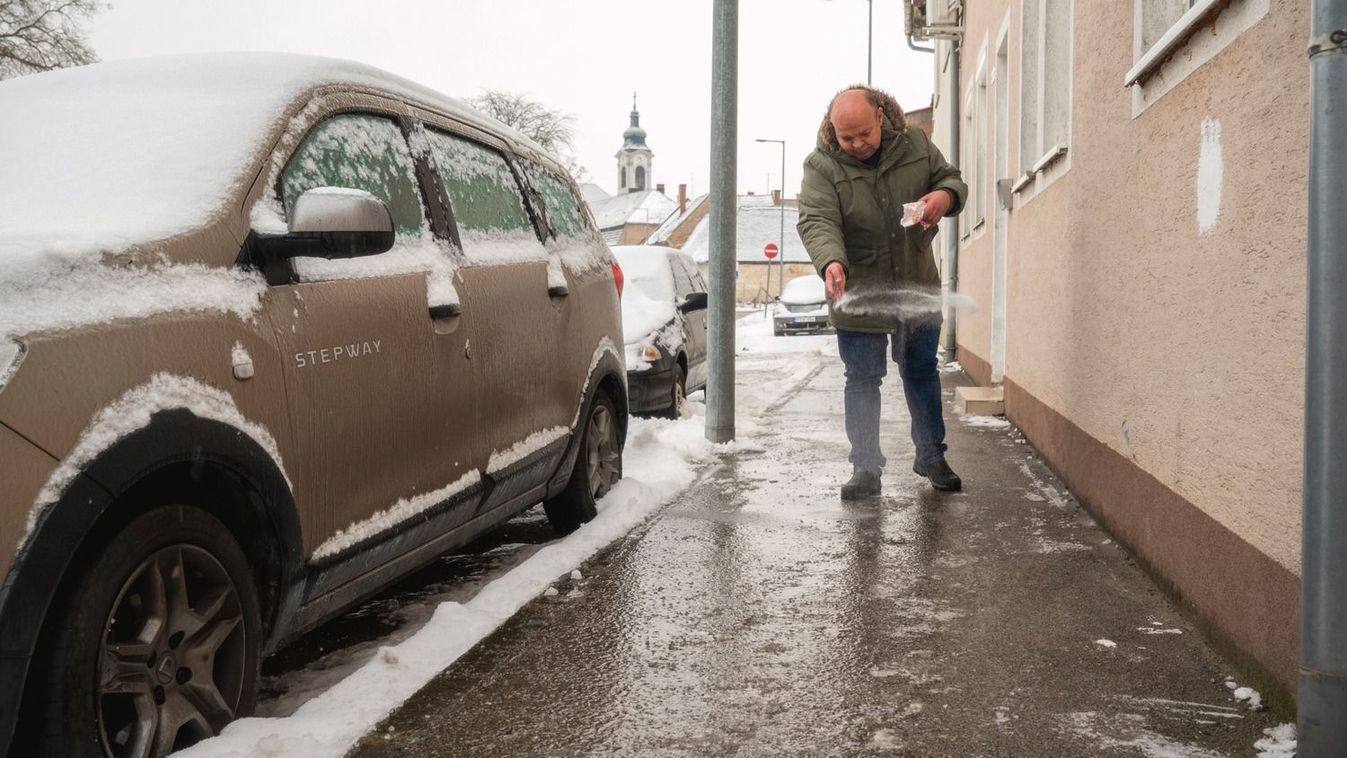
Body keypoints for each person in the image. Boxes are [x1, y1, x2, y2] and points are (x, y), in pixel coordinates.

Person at [797, 84, 967, 499]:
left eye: (863, 135)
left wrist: (943, 197)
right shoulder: (822, 166)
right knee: (862, 379)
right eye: (845, 137)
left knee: (921, 371)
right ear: (832, 131)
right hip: (858, 291)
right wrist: (831, 261)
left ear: (881, 117)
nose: (855, 144)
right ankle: (865, 468)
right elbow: (817, 218)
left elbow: (950, 179)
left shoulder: (915, 144)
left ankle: (931, 455)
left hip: (915, 286)